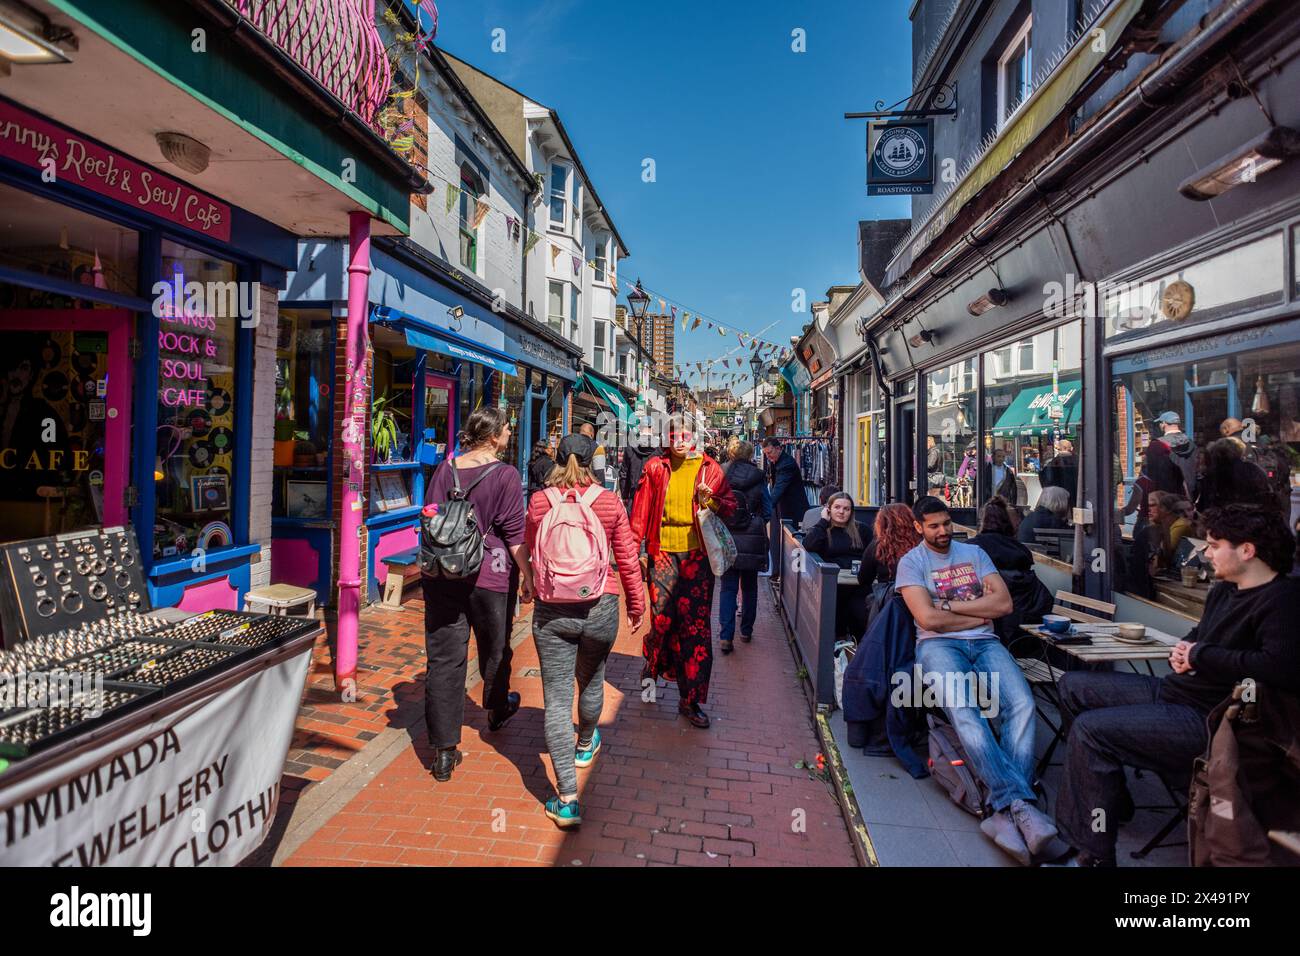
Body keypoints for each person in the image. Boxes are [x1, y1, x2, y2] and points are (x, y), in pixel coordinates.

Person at [1050, 505, 1300, 867]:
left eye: (1214, 545)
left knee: (1091, 732)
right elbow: (1198, 638)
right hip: (1174, 691)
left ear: (1247, 550)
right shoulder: (1223, 591)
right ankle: (1107, 798)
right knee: (1074, 685)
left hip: (1212, 720)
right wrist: (1183, 651)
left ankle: (1092, 855)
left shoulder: (1283, 601)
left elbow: (1280, 667)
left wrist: (1201, 656)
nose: (1205, 552)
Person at [896, 496, 1058, 865]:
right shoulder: (912, 564)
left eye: (947, 523)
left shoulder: (975, 554)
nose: (943, 532)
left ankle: (1006, 809)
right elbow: (928, 621)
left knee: (1022, 704)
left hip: (986, 643)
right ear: (919, 527)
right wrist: (974, 614)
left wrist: (951, 607)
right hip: (938, 648)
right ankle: (1021, 804)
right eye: (934, 526)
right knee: (965, 711)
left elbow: (1002, 606)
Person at [525, 433, 644, 828]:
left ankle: (567, 798)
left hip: (552, 608)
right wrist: (636, 603)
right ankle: (584, 743)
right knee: (592, 681)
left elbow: (529, 549)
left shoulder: (540, 501)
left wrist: (528, 587)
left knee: (556, 701)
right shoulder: (609, 502)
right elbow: (626, 557)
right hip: (600, 604)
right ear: (593, 460)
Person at [421, 407, 533, 783]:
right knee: (496, 649)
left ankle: (443, 752)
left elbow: (429, 513)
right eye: (507, 428)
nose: (509, 433)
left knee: (444, 659)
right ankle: (497, 708)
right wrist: (529, 576)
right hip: (490, 575)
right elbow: (515, 534)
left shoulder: (445, 468)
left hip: (441, 574)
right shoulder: (505, 475)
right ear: (495, 435)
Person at [631, 416, 737, 728]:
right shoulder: (655, 468)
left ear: (695, 436)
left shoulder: (709, 469)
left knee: (696, 627)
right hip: (662, 553)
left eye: (685, 435)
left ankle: (690, 699)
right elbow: (640, 512)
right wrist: (637, 551)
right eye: (673, 435)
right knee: (662, 621)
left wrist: (711, 500)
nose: (679, 441)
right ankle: (652, 668)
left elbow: (730, 507)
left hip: (697, 556)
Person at [969, 496, 1053, 647]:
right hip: (1024, 637)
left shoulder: (972, 549)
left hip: (988, 633)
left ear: (982, 521)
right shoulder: (1021, 551)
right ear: (1009, 523)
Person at [719, 440, 772, 653]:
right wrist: (756, 522)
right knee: (750, 588)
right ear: (751, 454)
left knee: (728, 588)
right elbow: (768, 510)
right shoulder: (758, 477)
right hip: (752, 538)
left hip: (727, 538)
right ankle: (746, 631)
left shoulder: (721, 475)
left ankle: (725, 636)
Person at [804, 491, 874, 639]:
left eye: (846, 509)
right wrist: (823, 521)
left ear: (851, 512)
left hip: (858, 586)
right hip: (832, 586)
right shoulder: (822, 530)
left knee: (861, 617)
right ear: (828, 509)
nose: (841, 512)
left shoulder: (862, 530)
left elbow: (873, 554)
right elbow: (808, 546)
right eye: (837, 507)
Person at [1195, 437, 1273, 514]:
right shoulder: (1253, 469)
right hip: (1253, 518)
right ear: (1240, 451)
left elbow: (1204, 503)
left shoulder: (1212, 473)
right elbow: (1266, 495)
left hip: (1221, 520)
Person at [1153, 411, 1198, 501]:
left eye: (1160, 423)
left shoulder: (1158, 445)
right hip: (1189, 493)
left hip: (1166, 495)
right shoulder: (1192, 444)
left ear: (1164, 424)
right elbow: (1198, 469)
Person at [763, 437, 808, 528]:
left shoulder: (787, 464)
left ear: (778, 448)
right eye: (765, 454)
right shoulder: (775, 461)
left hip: (793, 509)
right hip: (784, 508)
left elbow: (779, 488)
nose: (767, 456)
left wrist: (766, 507)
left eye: (769, 453)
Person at [1148, 491, 1194, 572]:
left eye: (1152, 505)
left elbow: (1163, 559)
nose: (1148, 509)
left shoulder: (1181, 526)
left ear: (1166, 508)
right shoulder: (1163, 525)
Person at [619, 419, 658, 512]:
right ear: (652, 429)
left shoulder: (631, 447)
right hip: (653, 499)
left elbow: (624, 473)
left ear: (640, 429)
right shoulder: (660, 448)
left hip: (634, 498)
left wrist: (624, 495)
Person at [1039, 438, 1079, 509]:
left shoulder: (1054, 462)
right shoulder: (1078, 460)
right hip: (1076, 496)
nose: (1057, 450)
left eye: (1058, 448)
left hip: (1059, 499)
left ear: (1063, 448)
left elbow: (1046, 480)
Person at [578, 421, 606, 486]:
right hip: (589, 489)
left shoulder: (571, 445)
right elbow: (599, 474)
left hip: (569, 487)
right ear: (592, 434)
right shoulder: (598, 448)